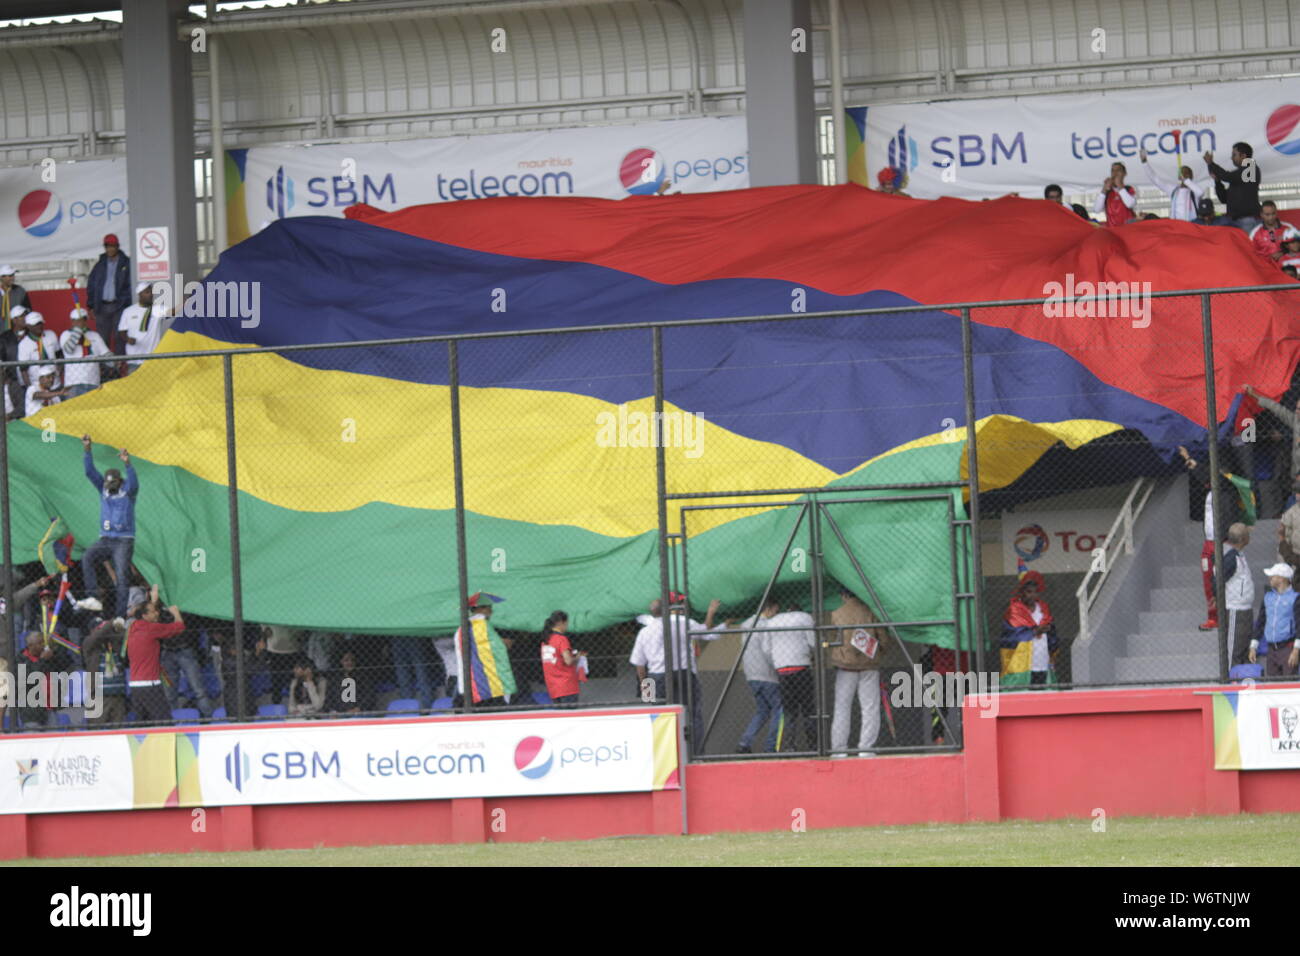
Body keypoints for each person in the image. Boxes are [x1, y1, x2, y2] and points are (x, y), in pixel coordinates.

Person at [629, 592, 723, 737]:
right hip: (684, 673)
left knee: (659, 714)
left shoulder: (645, 632)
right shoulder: (682, 624)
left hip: (657, 676)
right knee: (692, 713)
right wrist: (711, 612)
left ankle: (666, 751)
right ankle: (696, 752)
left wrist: (646, 689)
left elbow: (639, 665)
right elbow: (705, 630)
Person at [80, 435, 139, 619]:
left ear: (120, 481)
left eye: (113, 484)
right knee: (87, 557)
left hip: (123, 540)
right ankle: (93, 598)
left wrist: (128, 464)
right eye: (108, 483)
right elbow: (90, 472)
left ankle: (120, 616)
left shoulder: (128, 491)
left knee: (122, 578)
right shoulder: (103, 489)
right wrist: (87, 450)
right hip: (106, 538)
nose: (109, 487)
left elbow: (135, 482)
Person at [829, 585, 888, 757]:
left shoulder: (837, 614)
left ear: (843, 596)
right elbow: (883, 637)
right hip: (869, 665)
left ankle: (839, 750)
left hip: (845, 666)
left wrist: (837, 657)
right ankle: (866, 748)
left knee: (841, 708)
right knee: (870, 708)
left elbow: (832, 640)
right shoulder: (870, 611)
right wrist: (879, 653)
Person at [762, 599, 819, 751]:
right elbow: (813, 643)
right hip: (801, 667)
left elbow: (766, 649)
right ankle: (813, 745)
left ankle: (789, 746)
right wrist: (809, 655)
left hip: (782, 670)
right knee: (808, 710)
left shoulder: (772, 621)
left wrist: (776, 661)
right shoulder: (805, 618)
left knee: (789, 711)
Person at [126, 596, 187, 724]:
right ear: (144, 615)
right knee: (164, 722)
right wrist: (175, 612)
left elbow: (144, 612)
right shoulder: (151, 629)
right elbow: (179, 627)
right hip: (150, 684)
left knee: (142, 724)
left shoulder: (133, 627)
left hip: (135, 685)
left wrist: (153, 601)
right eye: (154, 611)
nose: (157, 613)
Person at [731, 607, 781, 755]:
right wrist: (777, 667)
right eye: (776, 610)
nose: (776, 614)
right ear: (770, 608)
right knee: (780, 709)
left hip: (751, 674)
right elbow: (767, 650)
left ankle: (744, 742)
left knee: (763, 711)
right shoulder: (765, 625)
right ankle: (771, 747)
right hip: (767, 674)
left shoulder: (747, 624)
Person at [453, 591, 516, 707]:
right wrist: (503, 643)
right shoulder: (481, 624)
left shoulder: (464, 626)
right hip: (487, 679)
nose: (491, 611)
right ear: (481, 609)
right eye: (489, 607)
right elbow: (495, 648)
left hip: (470, 675)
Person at [999, 570, 1058, 686]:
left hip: (1042, 658)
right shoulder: (1015, 609)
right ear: (1021, 592)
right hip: (1022, 660)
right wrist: (1036, 631)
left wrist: (1049, 629)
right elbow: (1013, 634)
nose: (1033, 595)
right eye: (1029, 592)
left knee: (1042, 691)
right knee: (1023, 690)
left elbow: (1052, 629)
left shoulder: (1043, 607)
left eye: (1036, 592)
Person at [1250, 563, 1300, 677]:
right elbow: (1261, 622)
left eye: (1273, 576)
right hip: (1271, 649)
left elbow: (1299, 625)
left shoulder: (1295, 598)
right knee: (1272, 682)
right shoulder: (1268, 597)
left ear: (1282, 578)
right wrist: (1253, 646)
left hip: (1288, 647)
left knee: (1289, 683)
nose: (1269, 578)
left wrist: (1296, 650)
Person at [86, 234, 133, 355]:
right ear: (105, 248)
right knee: (102, 338)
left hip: (119, 306)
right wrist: (91, 305)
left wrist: (124, 302)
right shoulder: (100, 264)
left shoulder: (126, 263)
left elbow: (130, 285)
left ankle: (119, 367)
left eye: (112, 246)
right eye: (108, 246)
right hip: (102, 307)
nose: (110, 249)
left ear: (117, 246)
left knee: (120, 336)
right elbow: (92, 284)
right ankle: (106, 369)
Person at [1204, 142, 1261, 233]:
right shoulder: (1238, 178)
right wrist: (1217, 181)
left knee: (1247, 246)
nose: (1232, 158)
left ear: (1243, 156)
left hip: (1247, 220)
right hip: (1233, 221)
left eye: (1234, 155)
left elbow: (1227, 176)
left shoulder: (1251, 169)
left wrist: (1211, 163)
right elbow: (1224, 199)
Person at [1220, 523, 1255, 666]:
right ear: (1242, 539)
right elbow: (1218, 580)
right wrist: (1219, 598)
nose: (1249, 536)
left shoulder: (1239, 555)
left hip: (1245, 607)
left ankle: (1241, 677)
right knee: (1234, 647)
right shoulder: (1230, 558)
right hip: (1235, 608)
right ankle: (1230, 678)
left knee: (1243, 645)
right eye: (1247, 534)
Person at [1138, 147, 1203, 221]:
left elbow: (1200, 192)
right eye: (1183, 173)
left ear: (1191, 176)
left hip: (1192, 225)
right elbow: (1155, 179)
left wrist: (1186, 181)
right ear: (1179, 175)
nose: (1185, 175)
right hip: (1176, 225)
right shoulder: (1173, 190)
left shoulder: (1193, 191)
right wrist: (1144, 163)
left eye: (1187, 174)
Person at [59, 308, 111, 398]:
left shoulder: (94, 335)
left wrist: (115, 362)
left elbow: (105, 354)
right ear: (72, 321)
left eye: (83, 320)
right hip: (73, 383)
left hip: (93, 382)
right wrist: (78, 330)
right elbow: (68, 349)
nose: (81, 323)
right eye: (77, 321)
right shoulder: (66, 334)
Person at [538, 610, 585, 705]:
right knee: (570, 716)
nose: (567, 626)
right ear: (561, 623)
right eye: (567, 623)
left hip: (553, 686)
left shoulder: (545, 640)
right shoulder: (561, 639)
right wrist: (578, 657)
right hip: (567, 685)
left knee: (560, 716)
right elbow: (568, 661)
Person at [119, 281, 166, 373]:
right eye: (147, 292)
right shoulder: (128, 311)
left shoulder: (158, 309)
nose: (151, 295)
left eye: (151, 292)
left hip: (153, 360)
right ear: (140, 294)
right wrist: (128, 339)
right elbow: (121, 331)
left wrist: (185, 304)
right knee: (134, 386)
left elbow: (173, 312)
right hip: (134, 360)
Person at [16, 631, 56, 730]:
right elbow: (30, 679)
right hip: (32, 710)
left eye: (44, 642)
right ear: (30, 646)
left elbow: (65, 664)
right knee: (33, 740)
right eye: (40, 643)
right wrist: (42, 660)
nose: (43, 645)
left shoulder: (46, 657)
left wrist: (53, 647)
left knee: (54, 741)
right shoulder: (20, 659)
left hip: (50, 707)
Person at [16, 312, 60, 383]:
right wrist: (30, 388)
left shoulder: (51, 335)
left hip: (55, 382)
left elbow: (59, 355)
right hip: (36, 384)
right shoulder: (23, 344)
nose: (39, 326)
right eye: (35, 324)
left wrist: (58, 372)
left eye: (40, 323)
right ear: (28, 326)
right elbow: (23, 370)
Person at [327, 648, 372, 714]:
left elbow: (369, 697)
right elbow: (329, 698)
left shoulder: (363, 678)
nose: (350, 662)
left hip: (358, 713)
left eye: (352, 660)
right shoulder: (335, 679)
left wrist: (358, 708)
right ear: (341, 661)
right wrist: (333, 711)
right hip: (339, 713)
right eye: (346, 660)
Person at [1092, 162, 1136, 227]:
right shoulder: (1107, 192)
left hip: (1128, 230)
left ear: (1124, 173)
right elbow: (1096, 210)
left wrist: (1120, 186)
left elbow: (1130, 204)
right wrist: (1104, 189)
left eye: (1118, 170)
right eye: (1113, 171)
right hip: (1113, 231)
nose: (1115, 173)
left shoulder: (1129, 189)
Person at [0, 266, 31, 331]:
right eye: (10, 276)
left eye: (13, 275)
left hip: (16, 332)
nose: (13, 278)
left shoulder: (20, 291)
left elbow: (28, 311)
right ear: (2, 277)